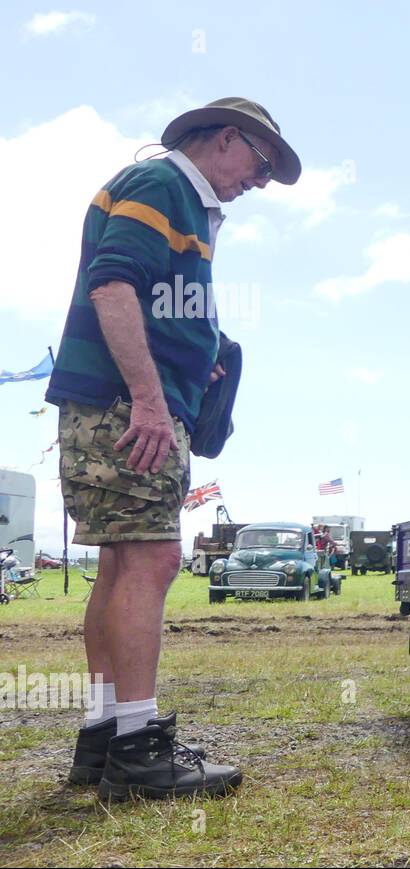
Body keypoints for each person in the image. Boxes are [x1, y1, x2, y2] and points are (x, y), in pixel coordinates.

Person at [45, 97, 301, 800]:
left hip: (115, 404)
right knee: (154, 558)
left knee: (122, 562)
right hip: (127, 408)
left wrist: (199, 355)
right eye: (262, 162)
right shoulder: (164, 187)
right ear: (226, 139)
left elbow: (146, 298)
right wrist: (154, 399)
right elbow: (112, 284)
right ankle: (138, 750)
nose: (262, 181)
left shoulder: (179, 204)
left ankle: (104, 741)